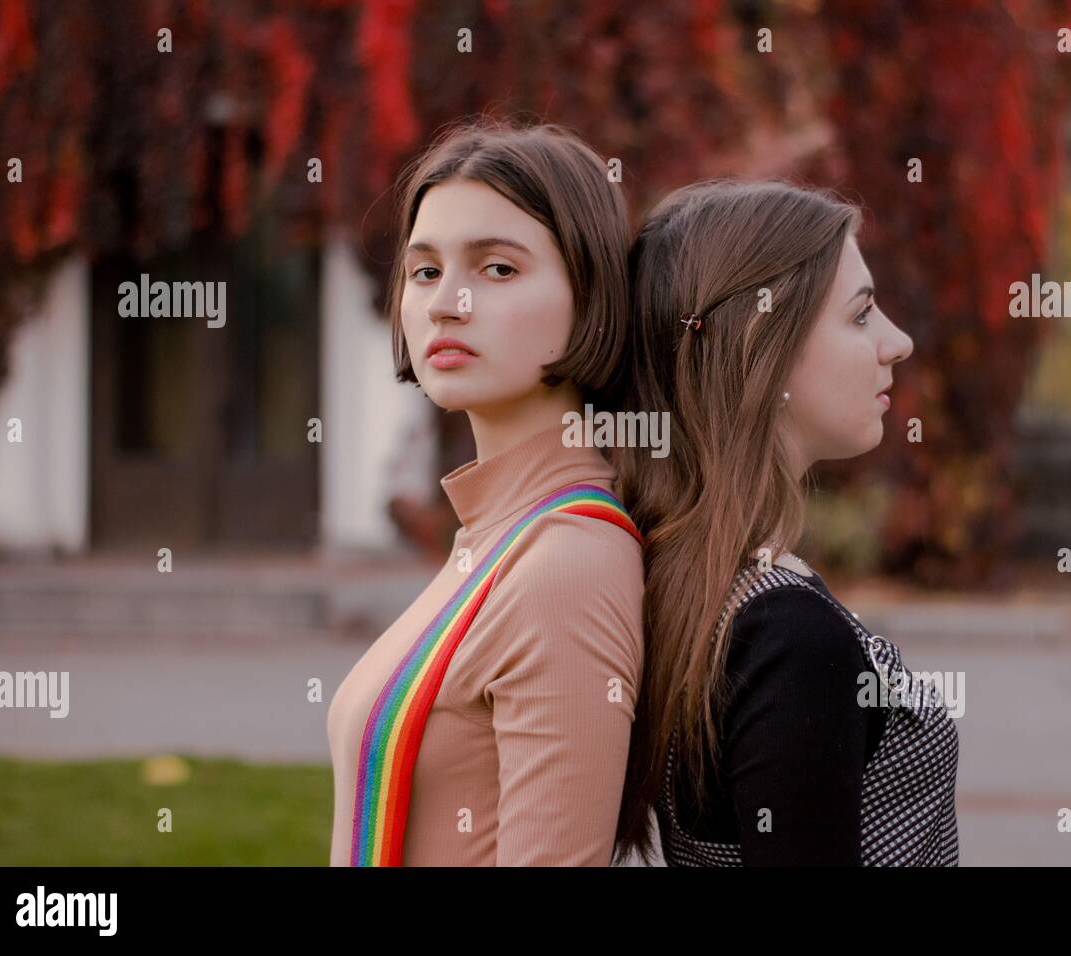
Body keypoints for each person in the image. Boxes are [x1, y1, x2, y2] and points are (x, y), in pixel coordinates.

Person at [612, 179, 959, 866]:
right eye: (861, 315)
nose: (899, 341)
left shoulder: (703, 589)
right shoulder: (788, 638)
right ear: (760, 351)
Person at [327, 118, 644, 866]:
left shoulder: (566, 563)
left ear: (591, 294)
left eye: (497, 269)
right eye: (425, 270)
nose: (445, 303)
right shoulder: (497, 532)